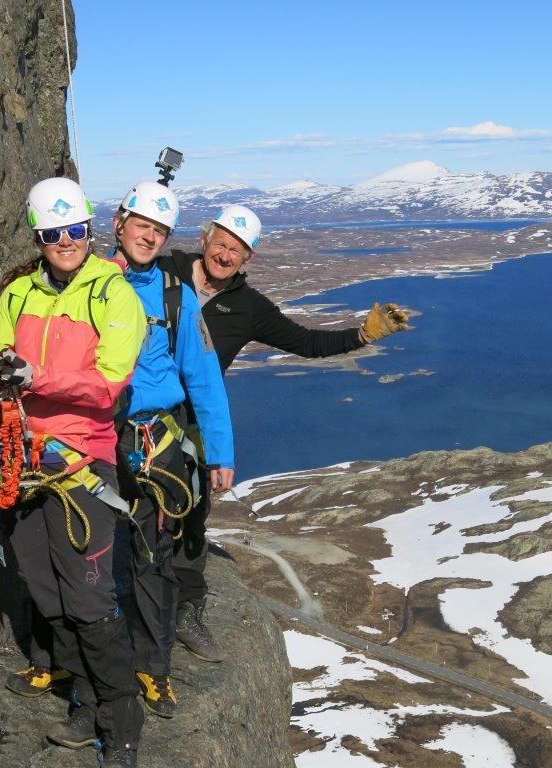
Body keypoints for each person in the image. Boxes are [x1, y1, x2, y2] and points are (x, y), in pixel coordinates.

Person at [160, 205, 409, 662]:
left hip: (194, 422)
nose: (225, 254)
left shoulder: (249, 308)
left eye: (237, 250)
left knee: (192, 514)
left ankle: (186, 611)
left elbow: (307, 342)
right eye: (221, 243)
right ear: (204, 240)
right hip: (141, 412)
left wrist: (365, 334)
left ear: (248, 258)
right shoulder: (163, 271)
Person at [0, 177, 146, 768]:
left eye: (74, 231)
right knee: (46, 593)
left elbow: (107, 384)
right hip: (21, 459)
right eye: (53, 233)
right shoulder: (18, 294)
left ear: (89, 230)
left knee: (90, 600)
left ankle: (120, 722)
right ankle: (84, 700)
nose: (66, 241)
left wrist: (35, 377)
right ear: (39, 237)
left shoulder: (112, 295)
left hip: (80, 463)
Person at [111, 180, 235, 718]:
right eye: (143, 224)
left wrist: (219, 454)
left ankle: (152, 670)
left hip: (151, 442)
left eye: (160, 230)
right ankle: (85, 662)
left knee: (152, 558)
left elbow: (203, 377)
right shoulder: (87, 283)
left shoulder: (174, 295)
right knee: (88, 556)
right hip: (91, 437)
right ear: (119, 223)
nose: (150, 236)